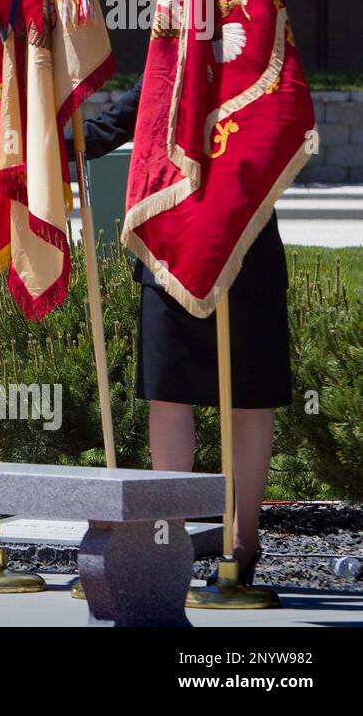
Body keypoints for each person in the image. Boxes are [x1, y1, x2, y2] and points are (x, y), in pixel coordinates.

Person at [78, 79, 289, 584]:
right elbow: (105, 129)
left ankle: (243, 540)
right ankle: (166, 540)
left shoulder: (259, 57)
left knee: (248, 398)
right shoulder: (166, 65)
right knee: (168, 393)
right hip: (169, 251)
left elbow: (288, 132)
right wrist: (32, 139)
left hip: (244, 246)